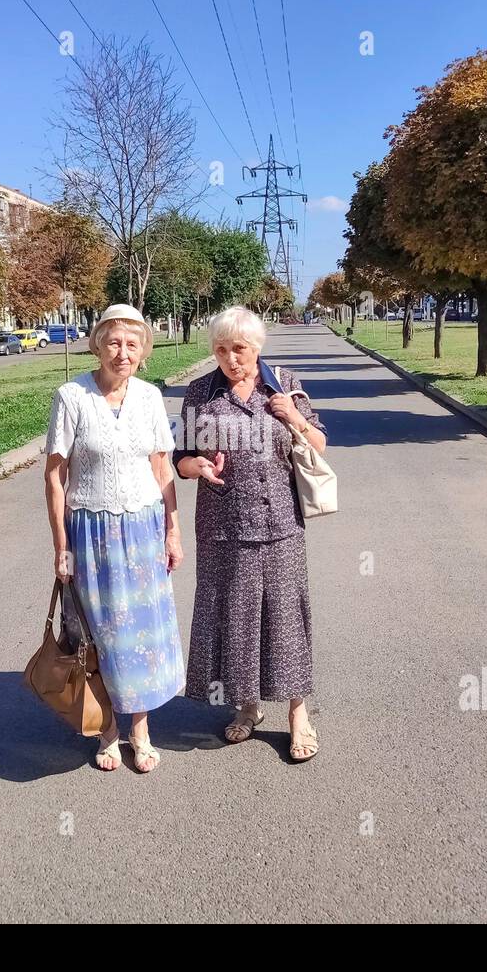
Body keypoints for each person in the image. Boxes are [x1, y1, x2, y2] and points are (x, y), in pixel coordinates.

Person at [173, 305, 327, 761]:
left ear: (256, 348)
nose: (230, 358)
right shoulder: (200, 392)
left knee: (284, 616)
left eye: (239, 348)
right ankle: (246, 708)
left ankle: (299, 714)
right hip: (222, 527)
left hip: (281, 523)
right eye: (221, 349)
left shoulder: (283, 382)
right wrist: (195, 465)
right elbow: (179, 458)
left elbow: (320, 444)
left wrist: (293, 419)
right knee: (237, 620)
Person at [43, 303, 185, 773]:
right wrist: (61, 546)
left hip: (143, 528)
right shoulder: (72, 396)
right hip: (92, 532)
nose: (122, 353)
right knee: (99, 632)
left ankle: (140, 730)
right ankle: (106, 729)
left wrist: (173, 529)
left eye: (132, 344)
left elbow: (162, 468)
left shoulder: (148, 398)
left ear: (143, 351)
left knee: (139, 635)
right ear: (97, 344)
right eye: (114, 343)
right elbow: (55, 476)